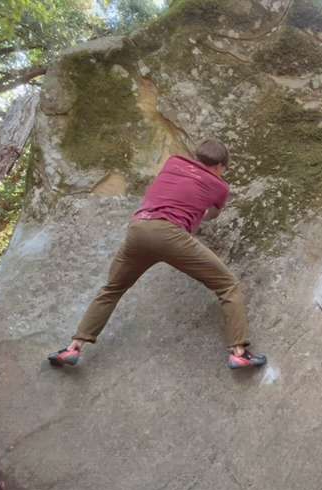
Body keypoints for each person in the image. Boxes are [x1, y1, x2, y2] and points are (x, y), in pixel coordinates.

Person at [48, 139, 266, 370]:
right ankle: (239, 352)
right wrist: (200, 210)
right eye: (224, 169)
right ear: (220, 166)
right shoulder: (219, 186)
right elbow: (212, 214)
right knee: (228, 286)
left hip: (138, 230)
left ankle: (73, 347)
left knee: (112, 289)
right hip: (170, 235)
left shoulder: (174, 163)